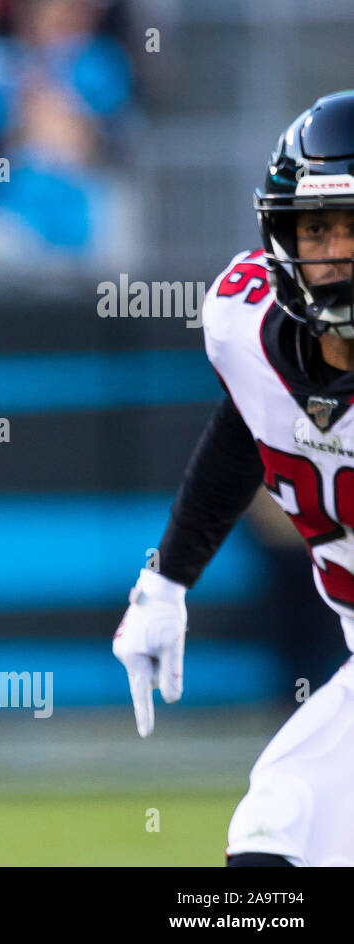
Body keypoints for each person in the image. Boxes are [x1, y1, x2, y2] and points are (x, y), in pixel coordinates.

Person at [113, 91, 354, 867]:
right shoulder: (246, 326)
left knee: (275, 829)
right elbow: (247, 427)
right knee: (269, 846)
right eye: (317, 228)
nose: (338, 251)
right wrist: (167, 581)